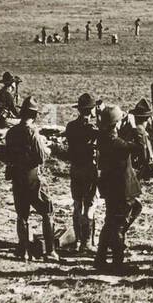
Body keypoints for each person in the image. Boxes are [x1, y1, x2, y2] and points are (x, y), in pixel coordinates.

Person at [4, 97, 56, 260]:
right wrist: (47, 150)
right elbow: (40, 157)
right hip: (33, 176)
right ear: (34, 115)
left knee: (22, 215)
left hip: (17, 176)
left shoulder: (11, 133)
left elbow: (8, 155)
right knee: (47, 212)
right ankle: (50, 251)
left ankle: (24, 250)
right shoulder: (33, 133)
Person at [95, 104, 145, 269]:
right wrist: (137, 128)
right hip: (120, 187)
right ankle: (118, 262)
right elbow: (139, 147)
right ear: (116, 124)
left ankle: (100, 257)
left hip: (110, 186)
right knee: (117, 224)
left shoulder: (103, 137)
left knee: (110, 221)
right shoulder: (116, 143)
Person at [65, 93, 101, 251]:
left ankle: (78, 241)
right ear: (91, 110)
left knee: (77, 204)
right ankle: (86, 243)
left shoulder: (70, 126)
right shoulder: (92, 129)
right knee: (90, 206)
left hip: (75, 169)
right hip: (88, 169)